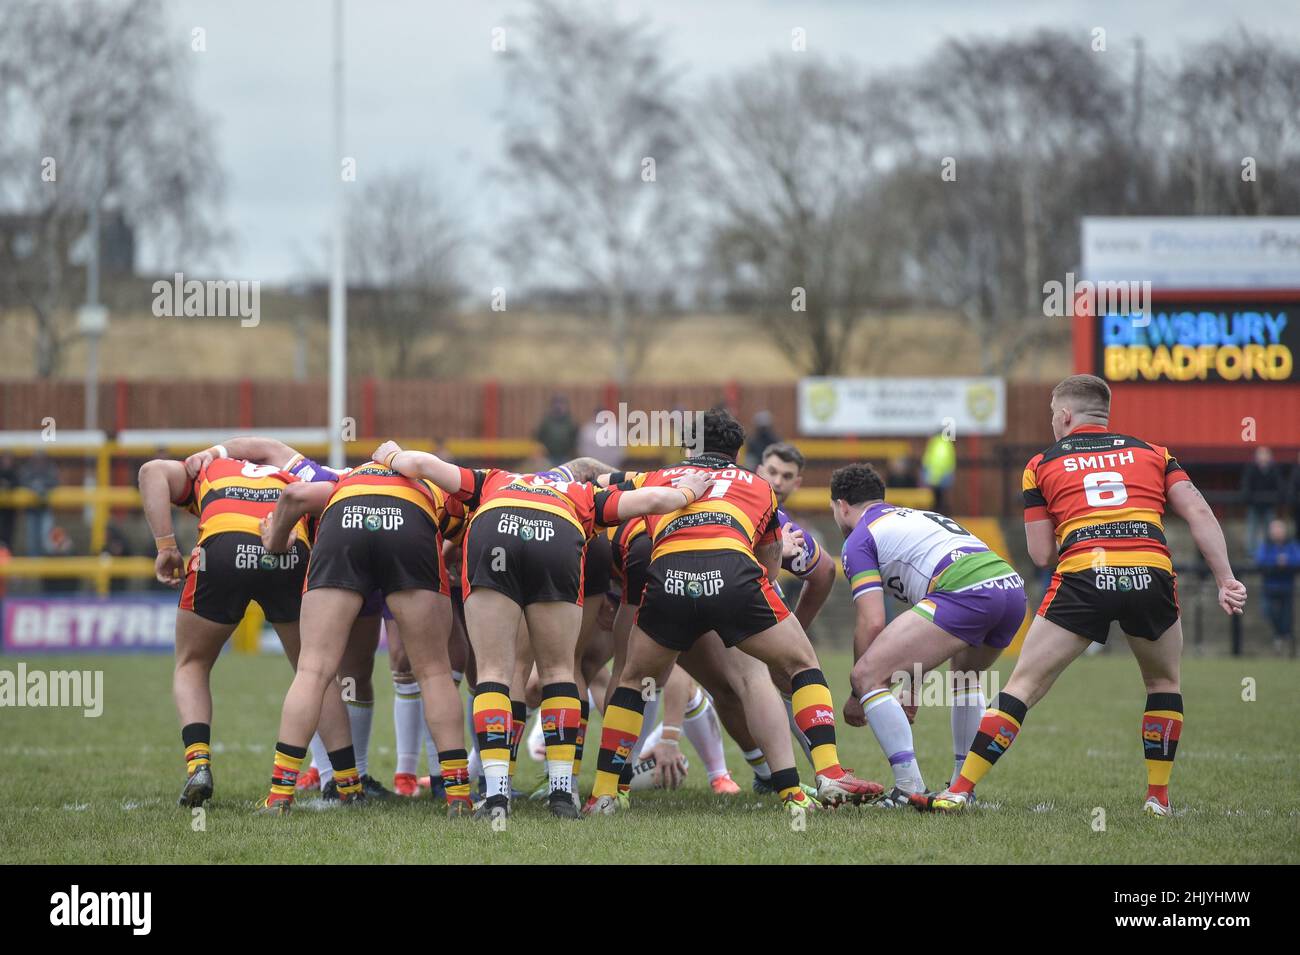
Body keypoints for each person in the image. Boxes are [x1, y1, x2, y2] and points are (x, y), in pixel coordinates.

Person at [913, 374, 1247, 817]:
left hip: (1085, 575)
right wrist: (1225, 578)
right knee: (1163, 684)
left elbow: (1039, 553)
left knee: (1024, 685)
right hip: (1150, 572)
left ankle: (959, 789)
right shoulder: (1155, 454)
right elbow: (1199, 511)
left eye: (1054, 415)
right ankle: (1157, 799)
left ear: (1065, 415)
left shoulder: (1041, 464)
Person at [373, 439, 711, 820]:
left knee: (494, 674)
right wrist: (687, 491)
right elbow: (650, 502)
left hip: (494, 530)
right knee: (559, 672)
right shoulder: (583, 492)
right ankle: (562, 792)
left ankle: (496, 795)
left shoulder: (494, 479)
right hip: (557, 537)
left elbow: (420, 463)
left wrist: (389, 455)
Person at [585, 408, 883, 816]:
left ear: (689, 447)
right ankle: (818, 779)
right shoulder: (760, 486)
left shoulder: (656, 478)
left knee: (633, 680)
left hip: (667, 580)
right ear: (738, 453)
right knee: (800, 664)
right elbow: (773, 562)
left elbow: (594, 487)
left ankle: (605, 792)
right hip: (733, 578)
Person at [137, 447, 356, 809]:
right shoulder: (290, 475)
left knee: (192, 664)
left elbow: (150, 472)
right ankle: (348, 784)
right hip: (289, 550)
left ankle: (199, 765)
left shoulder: (208, 470)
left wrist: (165, 547)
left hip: (221, 549)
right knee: (315, 671)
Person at [832, 463, 1026, 807]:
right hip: (1009, 589)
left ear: (841, 505)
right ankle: (960, 788)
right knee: (966, 677)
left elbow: (873, 622)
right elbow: (924, 624)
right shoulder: (916, 517)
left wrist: (858, 691)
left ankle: (908, 787)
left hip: (966, 589)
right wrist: (911, 683)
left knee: (866, 675)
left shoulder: (859, 539)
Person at [1256, 518, 1300, 657]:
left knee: (1286, 615)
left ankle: (1283, 638)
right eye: (1275, 529)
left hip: (1287, 587)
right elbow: (1260, 560)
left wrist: (1287, 561)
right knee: (1267, 611)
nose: (1277, 532)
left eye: (1280, 529)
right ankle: (1279, 635)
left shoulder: (1291, 545)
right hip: (1269, 587)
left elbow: (1297, 559)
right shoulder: (1266, 545)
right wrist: (1276, 561)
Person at [1241, 446, 1282, 556]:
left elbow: (1279, 486)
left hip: (1269, 505)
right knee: (1252, 530)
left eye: (1265, 454)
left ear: (1270, 457)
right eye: (1261, 454)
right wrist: (1249, 498)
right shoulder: (1251, 469)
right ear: (1256, 457)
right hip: (1254, 506)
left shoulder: (1274, 470)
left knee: (1270, 530)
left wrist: (1274, 498)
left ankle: (1270, 554)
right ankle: (1251, 555)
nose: (1263, 457)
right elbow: (1246, 486)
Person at [20, 450, 58, 557]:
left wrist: (43, 487)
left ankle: (45, 566)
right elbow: (22, 482)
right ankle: (34, 569)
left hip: (45, 508)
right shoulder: (27, 470)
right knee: (32, 540)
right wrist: (33, 487)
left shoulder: (50, 469)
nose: (39, 462)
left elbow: (54, 482)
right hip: (31, 510)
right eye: (37, 459)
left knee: (46, 540)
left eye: (41, 459)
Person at [535, 395, 578, 465]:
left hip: (565, 457)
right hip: (549, 457)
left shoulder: (571, 422)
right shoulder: (546, 421)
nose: (558, 406)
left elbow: (575, 438)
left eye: (561, 404)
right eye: (556, 403)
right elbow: (539, 436)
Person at [921, 431, 956, 515]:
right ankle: (941, 514)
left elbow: (932, 459)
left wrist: (930, 474)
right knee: (940, 498)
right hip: (943, 474)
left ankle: (937, 514)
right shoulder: (946, 443)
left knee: (937, 498)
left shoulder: (937, 443)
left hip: (937, 475)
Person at [0, 452, 19, 551]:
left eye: (8, 459)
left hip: (9, 511)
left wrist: (8, 485)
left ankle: (7, 560)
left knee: (7, 537)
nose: (6, 462)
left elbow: (17, 483)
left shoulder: (15, 472)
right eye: (4, 459)